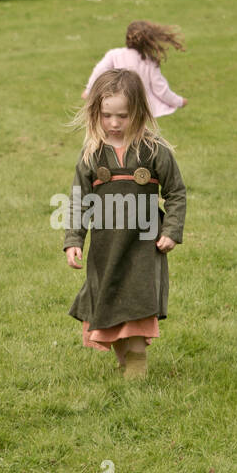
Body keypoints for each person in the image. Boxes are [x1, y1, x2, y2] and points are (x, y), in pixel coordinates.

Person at [64, 69, 186, 380]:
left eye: (123, 115)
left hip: (144, 242)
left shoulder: (154, 150)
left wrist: (171, 231)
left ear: (140, 113)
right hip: (105, 246)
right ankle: (123, 357)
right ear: (96, 113)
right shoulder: (92, 153)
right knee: (108, 301)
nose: (115, 123)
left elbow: (175, 192)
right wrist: (74, 239)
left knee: (137, 299)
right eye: (107, 115)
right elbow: (80, 199)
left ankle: (136, 362)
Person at [81, 20, 187, 116]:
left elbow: (99, 71)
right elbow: (161, 90)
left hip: (118, 103)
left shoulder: (114, 54)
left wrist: (89, 91)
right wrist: (179, 101)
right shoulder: (149, 61)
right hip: (142, 108)